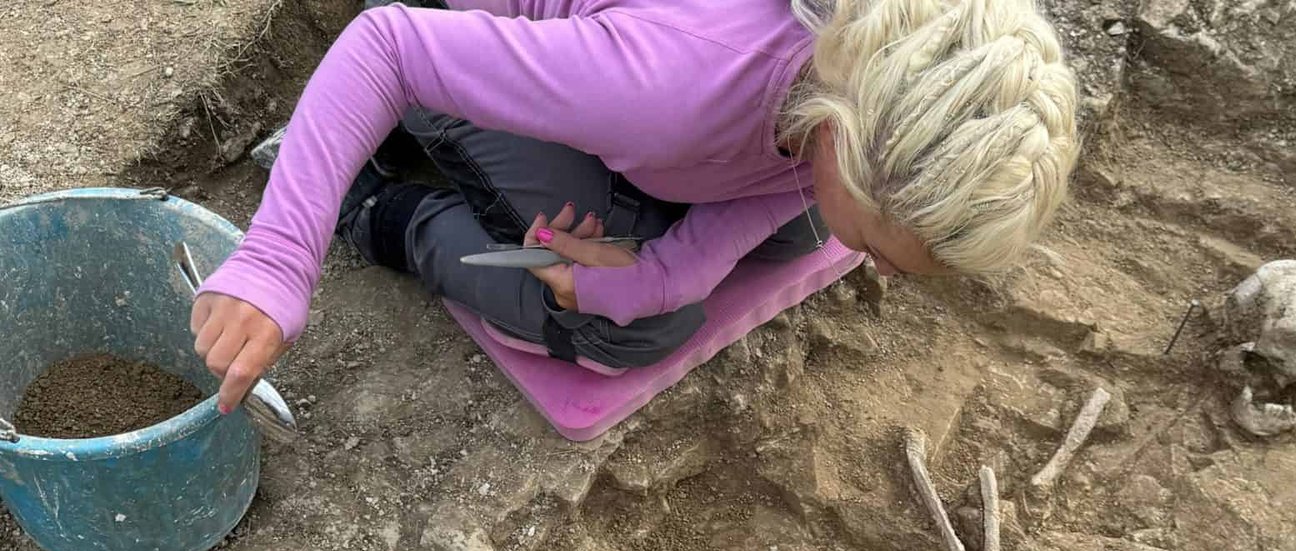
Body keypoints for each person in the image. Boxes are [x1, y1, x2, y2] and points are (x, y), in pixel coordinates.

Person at [192, 0, 1081, 411]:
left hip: (621, 74)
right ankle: (374, 201)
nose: (883, 272)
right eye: (890, 251)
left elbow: (765, 204)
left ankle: (406, 155)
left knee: (798, 234)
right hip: (463, 40)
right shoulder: (673, 88)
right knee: (623, 339)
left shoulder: (887, 51)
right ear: (841, 136)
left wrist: (648, 274)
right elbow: (385, 44)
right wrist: (277, 257)